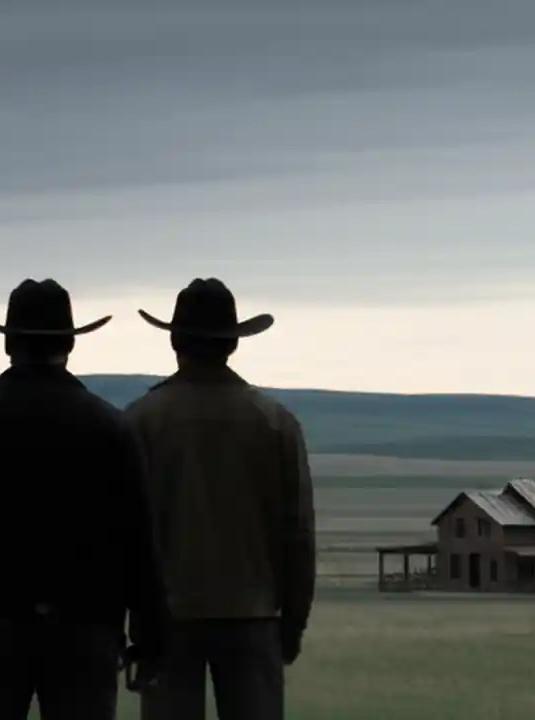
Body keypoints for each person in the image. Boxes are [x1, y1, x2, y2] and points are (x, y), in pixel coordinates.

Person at [0, 279, 168, 720]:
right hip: (87, 627)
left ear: (7, 343)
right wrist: (150, 636)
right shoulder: (110, 427)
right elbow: (138, 539)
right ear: (69, 344)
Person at [124, 278, 317, 720]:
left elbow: (121, 534)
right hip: (253, 615)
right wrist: (293, 620)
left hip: (166, 619)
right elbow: (298, 532)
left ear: (174, 340)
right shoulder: (274, 421)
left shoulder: (141, 420)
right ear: (233, 344)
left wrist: (129, 625)